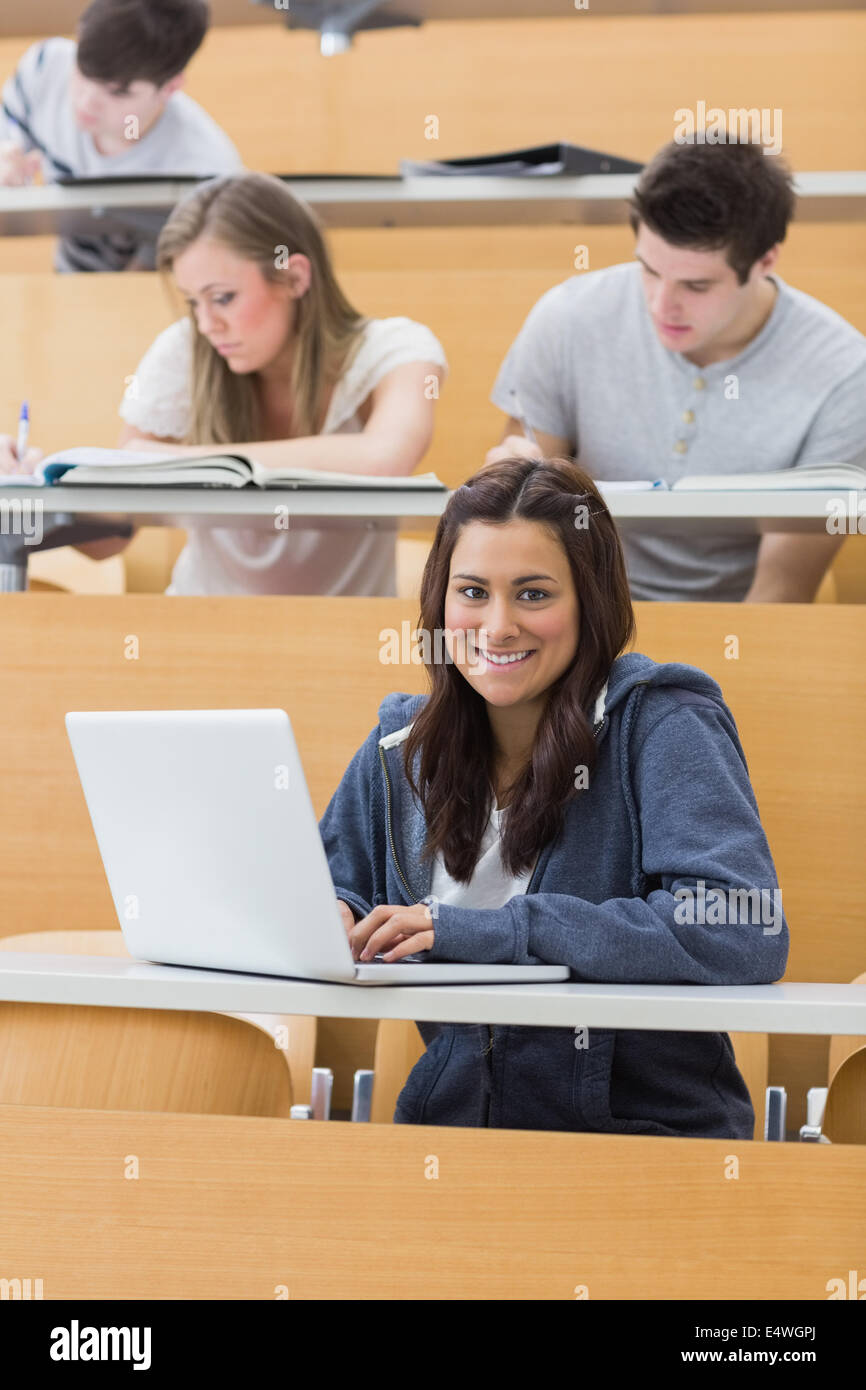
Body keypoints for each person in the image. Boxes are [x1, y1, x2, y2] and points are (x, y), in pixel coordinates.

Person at [319, 456, 789, 1137]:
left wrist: (501, 931)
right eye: (473, 592)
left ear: (590, 602)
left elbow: (743, 927)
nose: (499, 625)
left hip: (640, 1149)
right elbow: (337, 889)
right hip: (447, 1141)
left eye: (534, 594)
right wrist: (331, 916)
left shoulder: (664, 723)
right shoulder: (403, 745)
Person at [13, 171, 445, 594]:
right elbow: (111, 539)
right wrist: (28, 492)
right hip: (204, 630)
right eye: (192, 301)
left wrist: (185, 464)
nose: (206, 324)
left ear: (295, 277)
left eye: (223, 297)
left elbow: (385, 459)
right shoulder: (184, 350)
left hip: (341, 641)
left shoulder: (396, 347)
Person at [486, 139, 866, 603]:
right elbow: (524, 530)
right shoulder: (568, 317)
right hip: (577, 612)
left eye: (697, 284)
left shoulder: (846, 373)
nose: (661, 305)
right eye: (648, 269)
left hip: (734, 622)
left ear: (765, 261)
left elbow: (782, 587)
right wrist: (506, 484)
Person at [0, 0, 242, 271]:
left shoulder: (204, 170)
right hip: (68, 278)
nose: (86, 102)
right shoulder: (46, 67)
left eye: (117, 92)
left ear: (170, 86)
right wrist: (7, 153)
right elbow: (9, 122)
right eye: (82, 72)